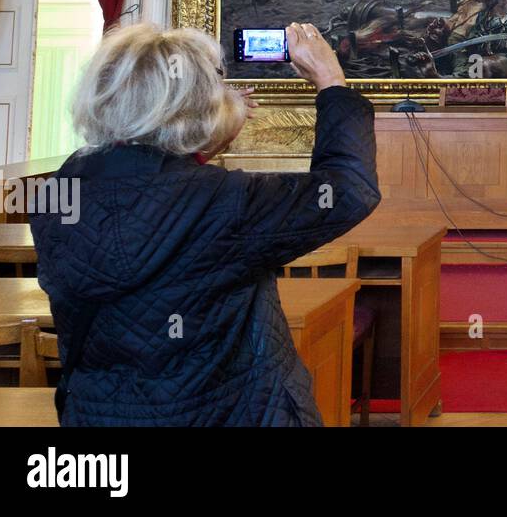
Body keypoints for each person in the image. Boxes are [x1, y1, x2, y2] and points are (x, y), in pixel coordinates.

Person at [31, 22, 380, 427]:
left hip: (101, 416)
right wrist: (332, 82)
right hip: (226, 412)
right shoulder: (223, 202)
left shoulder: (60, 191)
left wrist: (199, 148)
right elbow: (348, 190)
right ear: (196, 109)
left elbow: (147, 196)